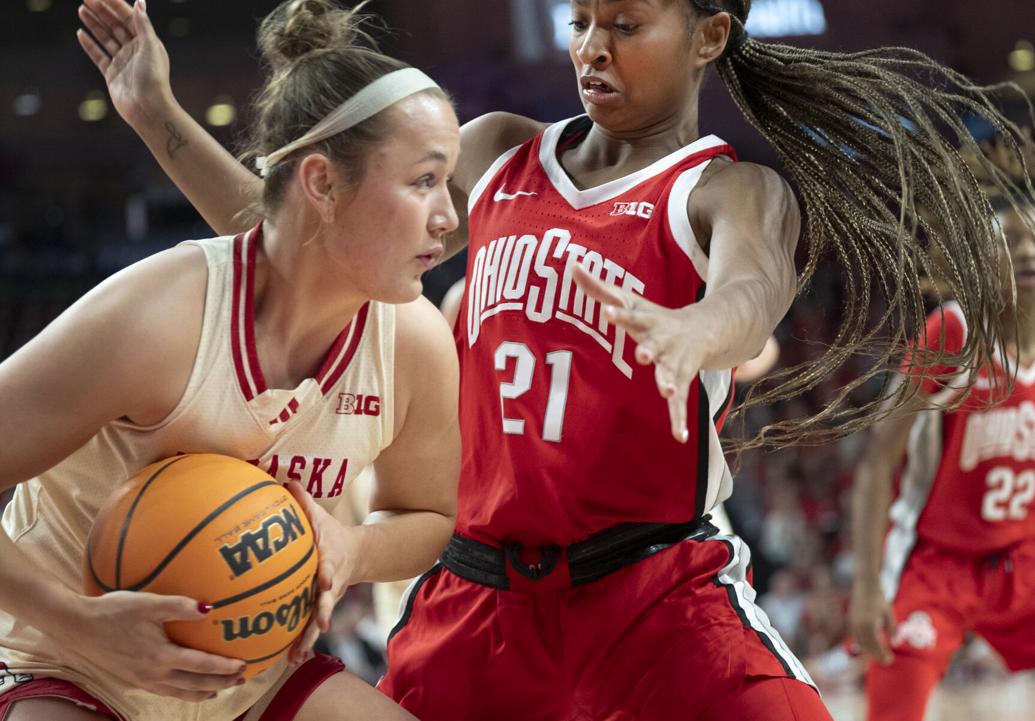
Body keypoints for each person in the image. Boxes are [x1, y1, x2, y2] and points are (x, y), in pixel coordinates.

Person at [77, 0, 1035, 718]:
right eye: (579, 20)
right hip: (477, 595)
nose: (590, 49)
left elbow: (748, 297)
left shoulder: (728, 192)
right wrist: (158, 114)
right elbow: (294, 239)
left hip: (656, 596)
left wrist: (696, 332)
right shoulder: (494, 154)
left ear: (706, 35)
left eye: (624, 22)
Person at [0, 1, 461, 719]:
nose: (448, 217)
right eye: (424, 180)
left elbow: (430, 513)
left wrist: (350, 547)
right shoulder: (156, 318)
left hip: (257, 674)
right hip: (67, 659)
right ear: (320, 183)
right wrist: (74, 618)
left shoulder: (415, 341)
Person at [849, 159, 1035, 718]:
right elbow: (877, 462)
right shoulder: (951, 333)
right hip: (935, 561)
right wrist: (865, 586)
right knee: (892, 704)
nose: (1028, 253)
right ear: (985, 263)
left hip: (1022, 555)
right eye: (1014, 242)